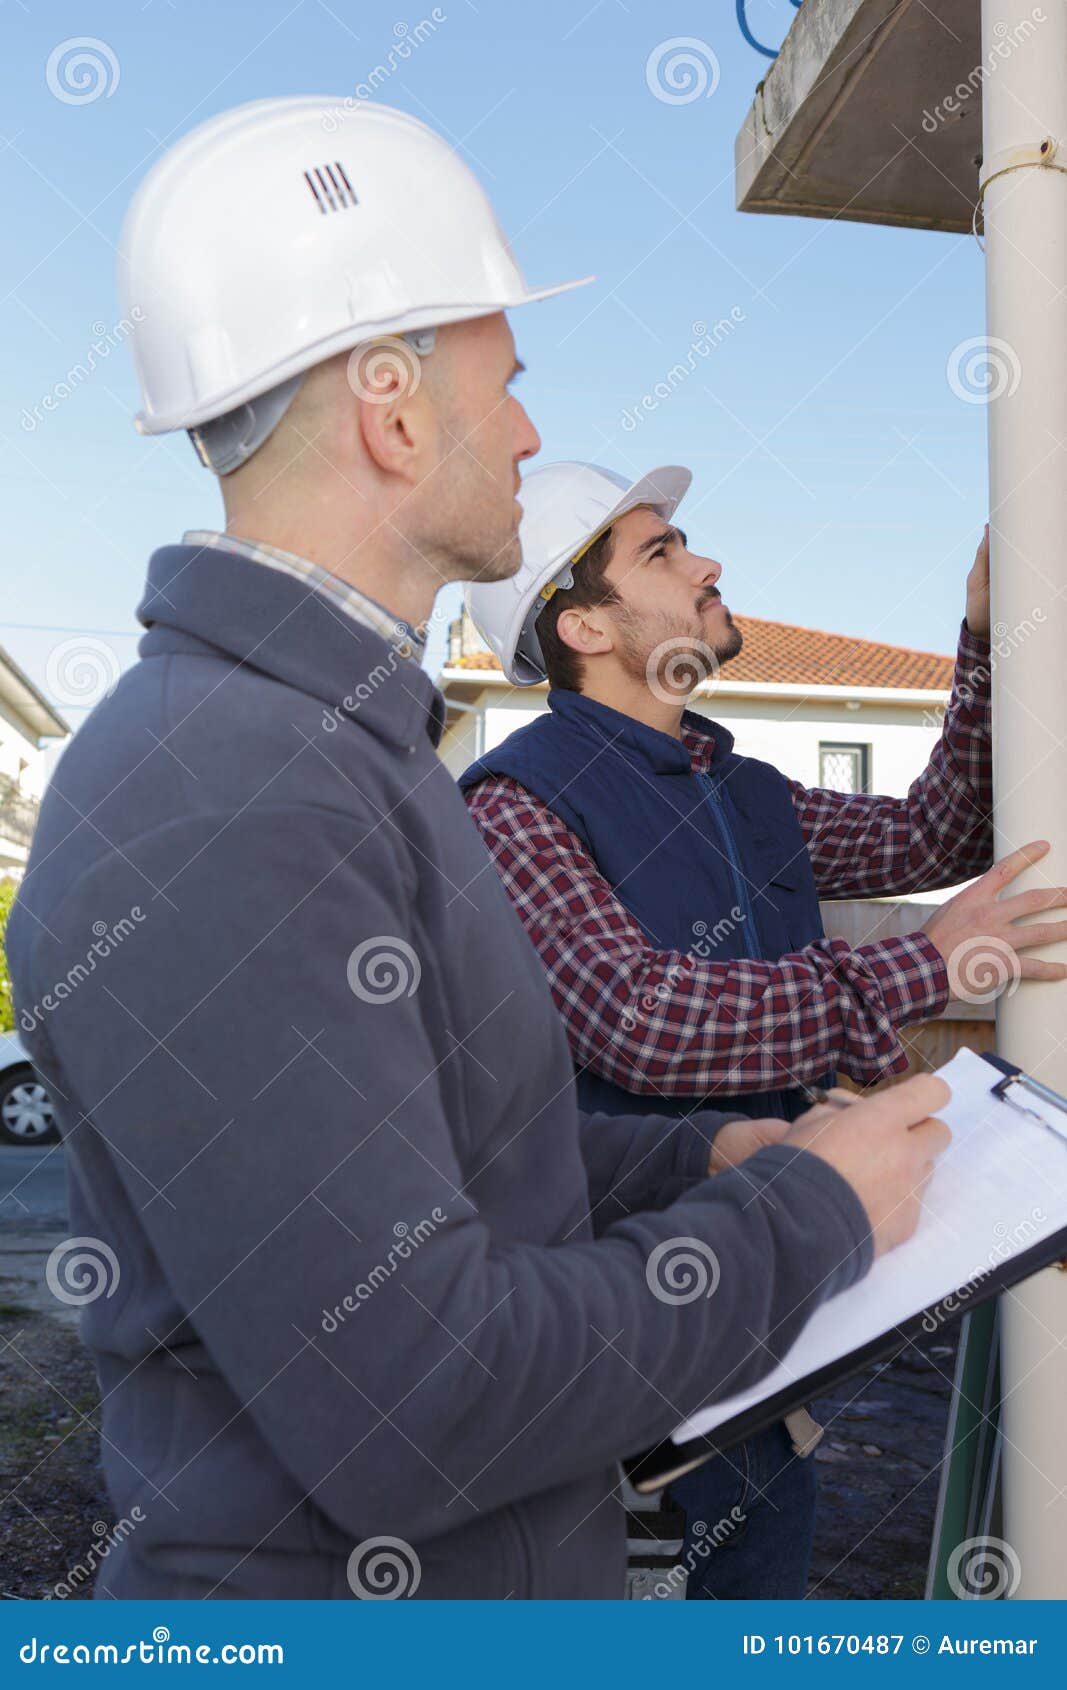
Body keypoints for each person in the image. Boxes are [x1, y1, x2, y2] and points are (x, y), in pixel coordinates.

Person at [8, 101, 952, 1602]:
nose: (524, 430)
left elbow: (428, 1155)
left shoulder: (339, 752)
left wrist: (688, 1156)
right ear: (390, 411)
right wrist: (808, 1211)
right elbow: (418, 1400)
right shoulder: (231, 794)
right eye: (503, 383)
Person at [459, 459, 1067, 1597]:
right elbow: (640, 1019)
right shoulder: (517, 803)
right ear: (583, 621)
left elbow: (936, 833)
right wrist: (922, 965)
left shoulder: (740, 788)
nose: (707, 563)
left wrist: (980, 637)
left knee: (757, 1561)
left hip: (764, 1284)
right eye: (661, 551)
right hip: (627, 1320)